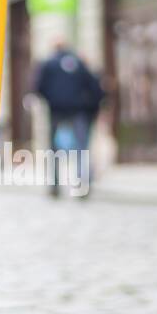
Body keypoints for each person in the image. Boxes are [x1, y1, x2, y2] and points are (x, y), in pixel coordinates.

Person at [34, 39, 104, 197]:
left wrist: (51, 100)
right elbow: (94, 87)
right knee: (81, 149)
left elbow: (39, 88)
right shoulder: (79, 64)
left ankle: (55, 185)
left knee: (54, 150)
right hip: (78, 111)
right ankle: (82, 185)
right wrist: (91, 109)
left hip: (56, 111)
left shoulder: (48, 64)